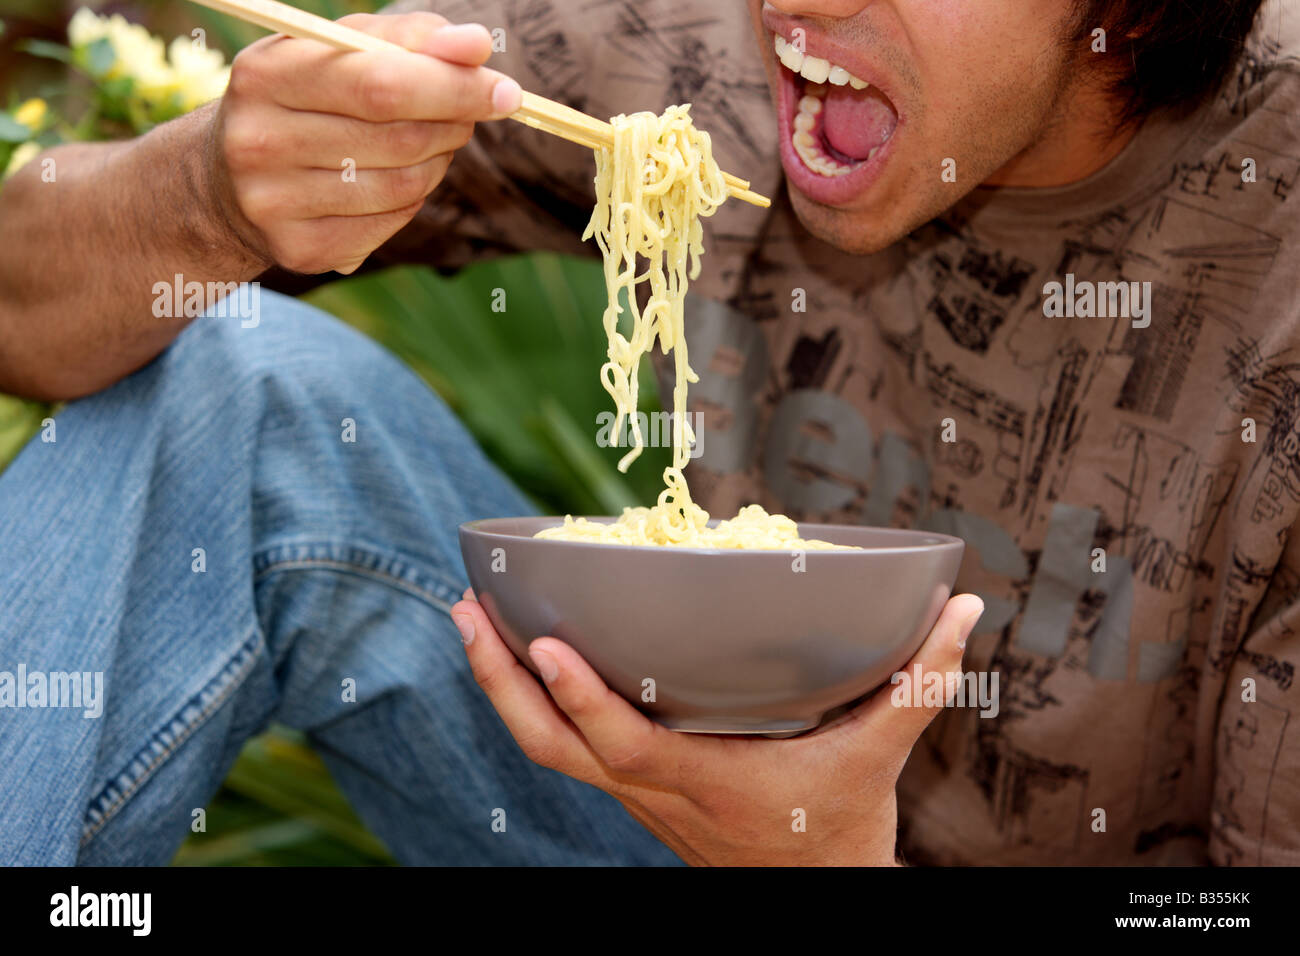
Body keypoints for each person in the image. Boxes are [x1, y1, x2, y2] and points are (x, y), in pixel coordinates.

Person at [0, 0, 1295, 865]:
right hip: (632, 806)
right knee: (241, 389)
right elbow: (20, 315)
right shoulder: (684, 45)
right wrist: (205, 196)